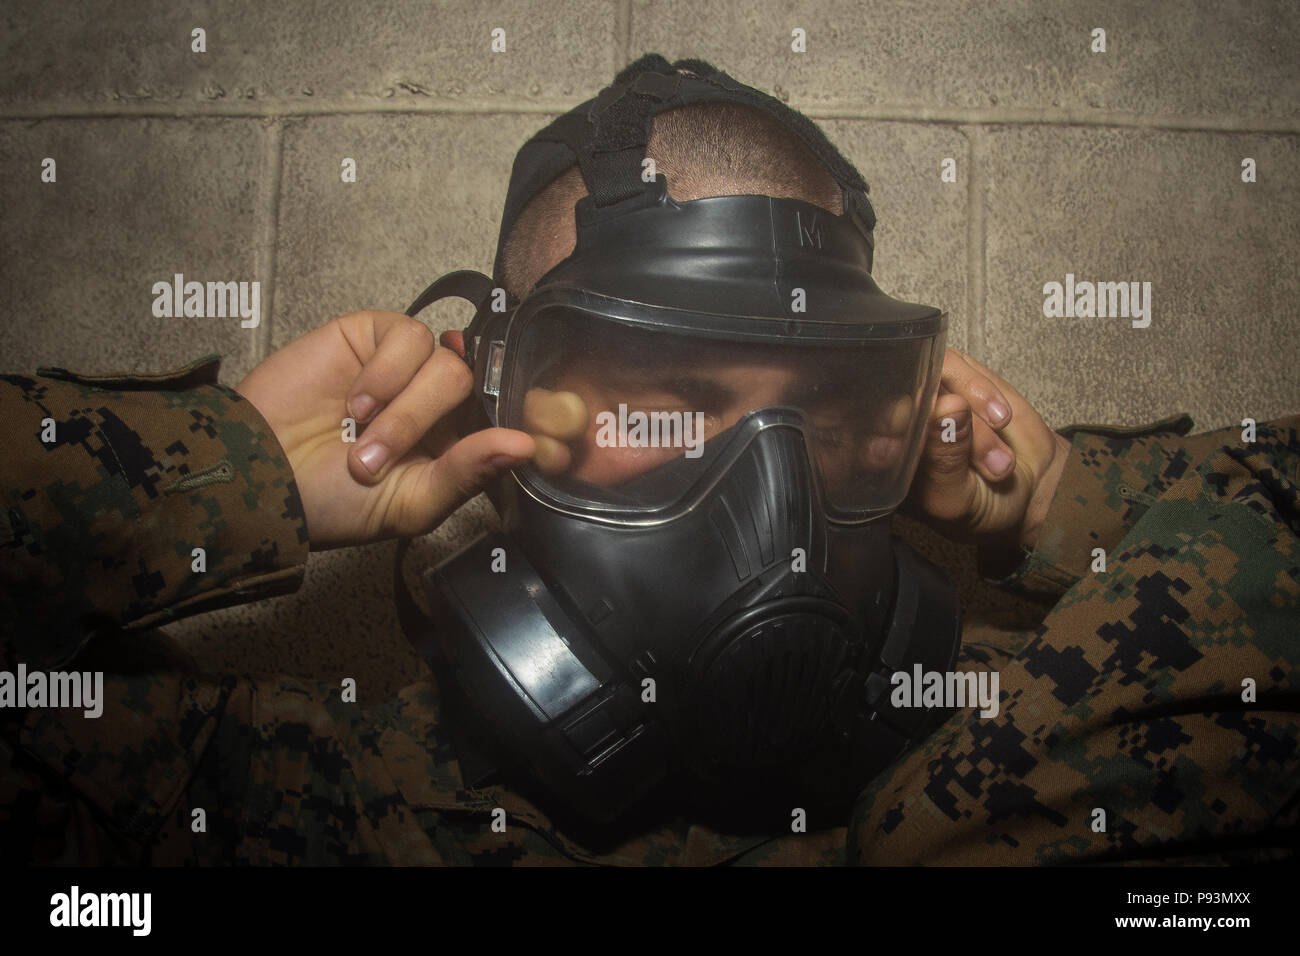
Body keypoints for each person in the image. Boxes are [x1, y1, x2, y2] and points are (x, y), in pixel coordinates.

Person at [2, 57, 1296, 866]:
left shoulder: (1047, 740)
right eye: (661, 406)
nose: (765, 494)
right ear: (493, 418)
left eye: (827, 404)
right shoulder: (279, 810)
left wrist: (1077, 513)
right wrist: (232, 473)